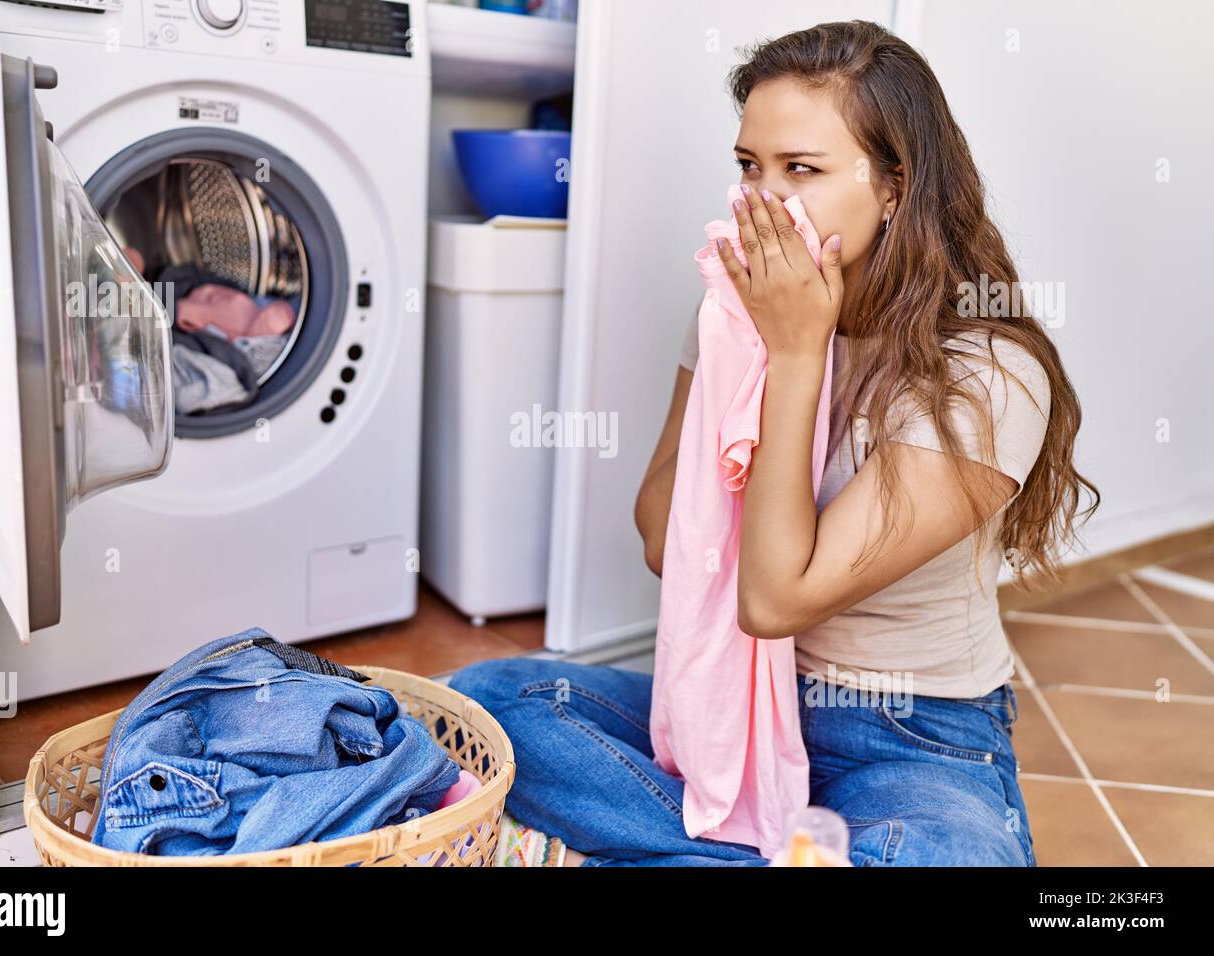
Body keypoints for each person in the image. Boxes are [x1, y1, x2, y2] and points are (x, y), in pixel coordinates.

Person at [451, 19, 1098, 867]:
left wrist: (797, 355)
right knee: (489, 702)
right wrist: (741, 348)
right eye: (749, 166)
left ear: (895, 186)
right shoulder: (733, 317)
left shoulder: (987, 375)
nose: (761, 201)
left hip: (908, 736)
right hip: (738, 709)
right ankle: (784, 852)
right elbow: (660, 535)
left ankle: (690, 847)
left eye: (802, 169)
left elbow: (773, 600)